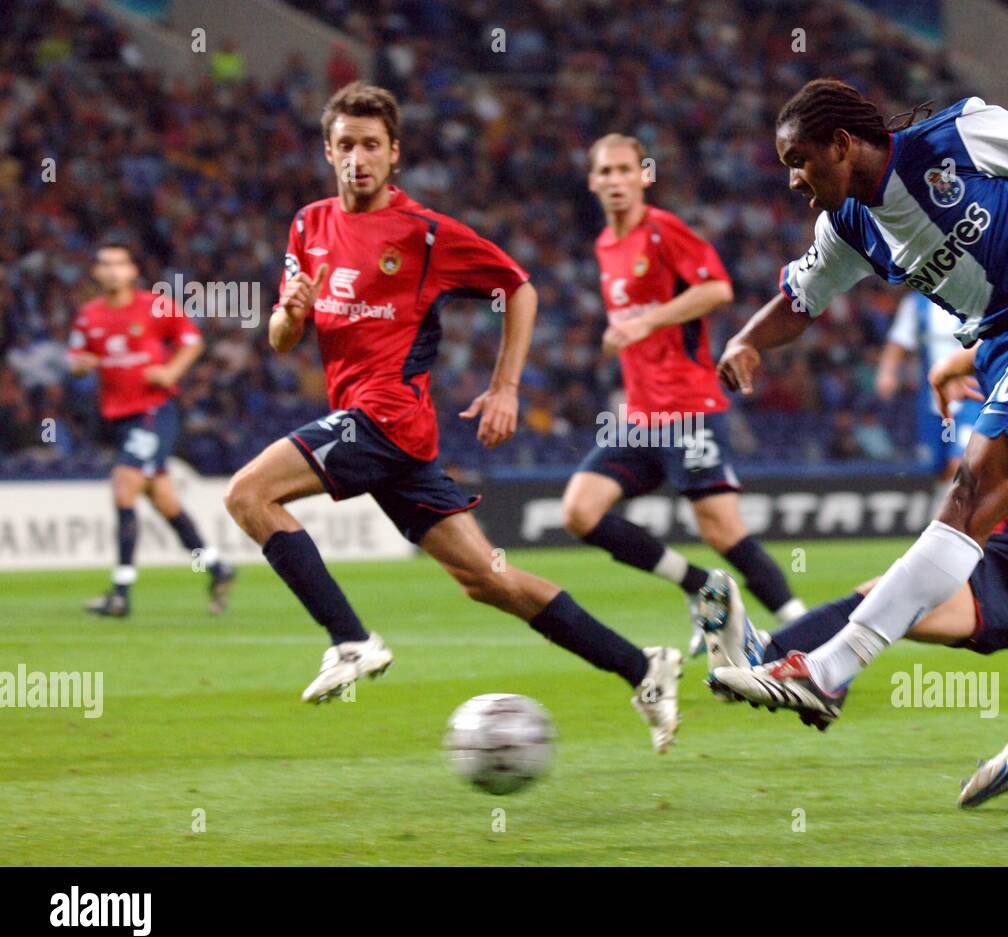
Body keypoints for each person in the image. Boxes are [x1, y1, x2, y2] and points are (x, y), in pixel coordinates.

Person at [711, 79, 1008, 828]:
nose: (793, 179)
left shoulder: (961, 137)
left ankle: (827, 669)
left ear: (843, 144)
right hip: (1007, 352)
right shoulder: (849, 227)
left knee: (969, 499)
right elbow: (799, 301)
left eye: (800, 159)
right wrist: (746, 339)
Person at [222, 83, 680, 751]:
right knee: (488, 581)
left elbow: (518, 287)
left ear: (394, 154)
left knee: (247, 494)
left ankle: (351, 641)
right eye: (345, 145)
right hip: (377, 431)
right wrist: (289, 314)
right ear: (328, 151)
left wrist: (506, 386)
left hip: (388, 418)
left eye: (371, 146)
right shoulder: (308, 224)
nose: (358, 158)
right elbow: (281, 339)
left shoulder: (423, 234)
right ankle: (643, 667)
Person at [562, 133, 805, 656]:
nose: (616, 181)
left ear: (642, 176)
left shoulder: (662, 230)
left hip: (690, 409)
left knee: (721, 529)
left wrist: (644, 322)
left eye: (626, 170)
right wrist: (624, 335)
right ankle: (699, 586)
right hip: (644, 417)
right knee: (580, 511)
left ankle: (807, 632)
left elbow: (717, 289)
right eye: (606, 172)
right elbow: (634, 325)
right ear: (592, 182)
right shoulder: (606, 246)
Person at [68, 242, 237, 617]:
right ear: (95, 272)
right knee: (164, 502)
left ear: (132, 271)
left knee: (124, 485)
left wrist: (172, 371)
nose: (113, 270)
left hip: (154, 411)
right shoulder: (88, 315)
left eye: (120, 263)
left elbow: (191, 341)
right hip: (118, 416)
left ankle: (121, 592)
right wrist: (81, 365)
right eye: (105, 264)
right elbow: (76, 360)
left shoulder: (154, 305)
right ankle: (216, 566)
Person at [877, 291, 978, 480]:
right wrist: (887, 373)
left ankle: (963, 507)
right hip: (932, 403)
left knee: (961, 461)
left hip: (970, 397)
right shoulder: (917, 303)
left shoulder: (976, 295)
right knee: (935, 466)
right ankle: (945, 506)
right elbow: (899, 341)